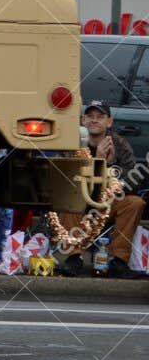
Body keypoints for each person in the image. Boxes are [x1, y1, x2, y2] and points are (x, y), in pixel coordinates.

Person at [57, 100, 147, 279]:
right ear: (83, 120)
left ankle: (119, 261)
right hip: (81, 201)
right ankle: (74, 257)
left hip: (108, 203)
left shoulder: (119, 144)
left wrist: (110, 166)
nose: (94, 120)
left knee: (135, 203)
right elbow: (66, 177)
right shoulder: (73, 143)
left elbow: (134, 181)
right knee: (68, 199)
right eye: (90, 116)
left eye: (100, 117)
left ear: (109, 122)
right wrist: (96, 162)